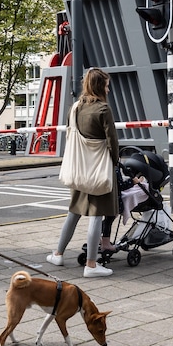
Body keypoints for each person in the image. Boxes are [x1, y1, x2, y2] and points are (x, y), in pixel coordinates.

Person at [46, 68, 120, 278]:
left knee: (74, 212)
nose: (108, 89)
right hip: (97, 170)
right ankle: (91, 265)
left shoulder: (76, 108)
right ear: (99, 86)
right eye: (106, 85)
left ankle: (58, 254)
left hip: (79, 170)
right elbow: (112, 141)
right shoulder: (103, 109)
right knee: (96, 216)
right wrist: (115, 161)